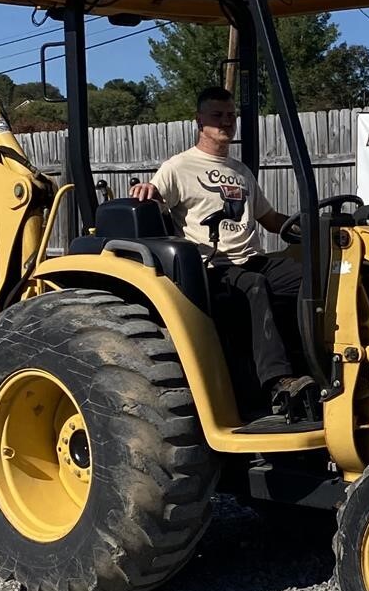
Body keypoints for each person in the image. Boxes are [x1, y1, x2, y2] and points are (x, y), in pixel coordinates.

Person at [131, 86, 312, 416]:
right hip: (211, 268)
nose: (226, 122)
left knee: (311, 280)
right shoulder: (179, 167)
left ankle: (314, 365)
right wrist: (148, 190)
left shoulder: (240, 171)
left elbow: (269, 219)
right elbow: (156, 198)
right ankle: (278, 382)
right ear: (199, 120)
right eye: (217, 116)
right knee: (255, 287)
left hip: (251, 258)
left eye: (231, 116)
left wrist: (313, 227)